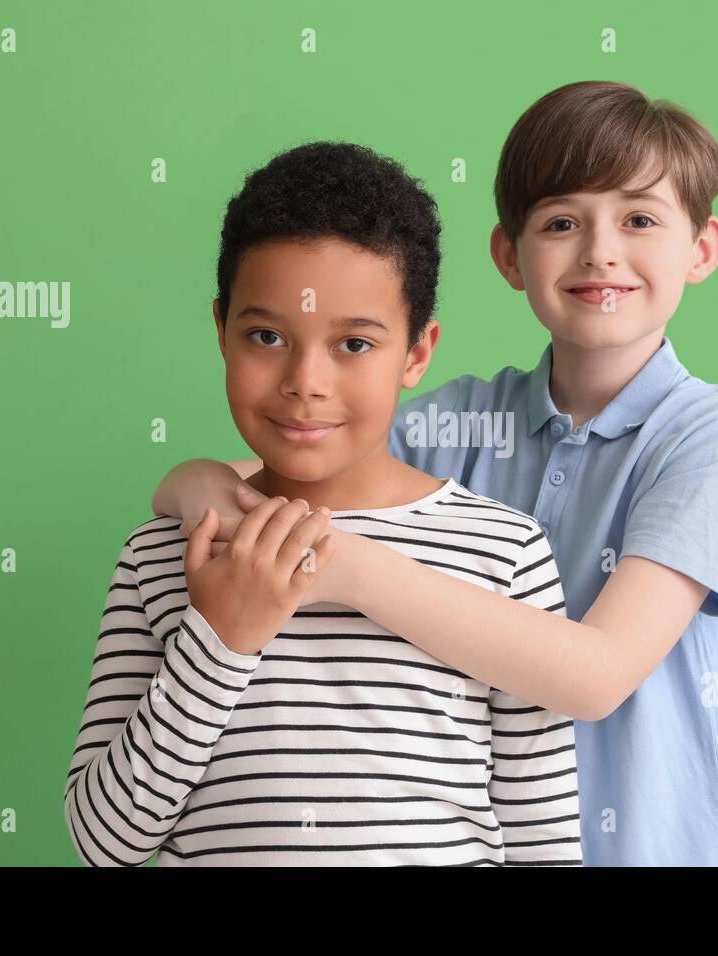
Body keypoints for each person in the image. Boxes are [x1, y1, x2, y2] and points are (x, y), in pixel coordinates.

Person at [154, 81, 718, 866]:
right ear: (509, 255)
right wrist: (196, 480)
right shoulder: (462, 420)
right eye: (561, 222)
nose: (600, 251)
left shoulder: (714, 440)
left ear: (703, 249)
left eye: (640, 219)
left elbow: (595, 676)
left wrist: (344, 568)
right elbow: (295, 460)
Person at [64, 141, 581, 866]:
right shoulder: (162, 553)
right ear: (221, 330)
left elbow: (545, 840)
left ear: (417, 352)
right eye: (267, 336)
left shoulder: (503, 552)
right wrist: (221, 639)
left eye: (355, 344)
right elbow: (103, 841)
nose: (305, 381)